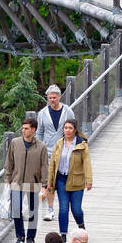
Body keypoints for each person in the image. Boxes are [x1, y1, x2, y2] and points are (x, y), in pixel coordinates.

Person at [44, 118, 92, 237]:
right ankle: (63, 234)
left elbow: (87, 163)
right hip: (61, 180)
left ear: (75, 130)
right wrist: (49, 182)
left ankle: (81, 224)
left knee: (76, 209)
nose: (68, 130)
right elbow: (52, 165)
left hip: (76, 180)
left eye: (70, 128)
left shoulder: (82, 145)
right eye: (66, 128)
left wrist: (89, 181)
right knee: (63, 208)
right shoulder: (59, 144)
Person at [5, 115, 47, 243]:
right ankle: (20, 237)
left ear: (33, 129)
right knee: (16, 210)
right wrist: (7, 179)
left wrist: (45, 185)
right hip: (17, 181)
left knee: (33, 211)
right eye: (22, 128)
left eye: (26, 128)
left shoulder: (41, 146)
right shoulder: (15, 143)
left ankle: (30, 238)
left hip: (33, 182)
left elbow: (44, 166)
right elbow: (9, 162)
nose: (23, 131)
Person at [38, 85, 75, 222]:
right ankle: (50, 209)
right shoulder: (42, 113)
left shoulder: (67, 111)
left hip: (65, 152)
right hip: (47, 152)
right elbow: (39, 133)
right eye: (50, 98)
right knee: (50, 181)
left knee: (63, 181)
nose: (52, 100)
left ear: (59, 97)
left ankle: (65, 207)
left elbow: (74, 128)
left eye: (54, 97)